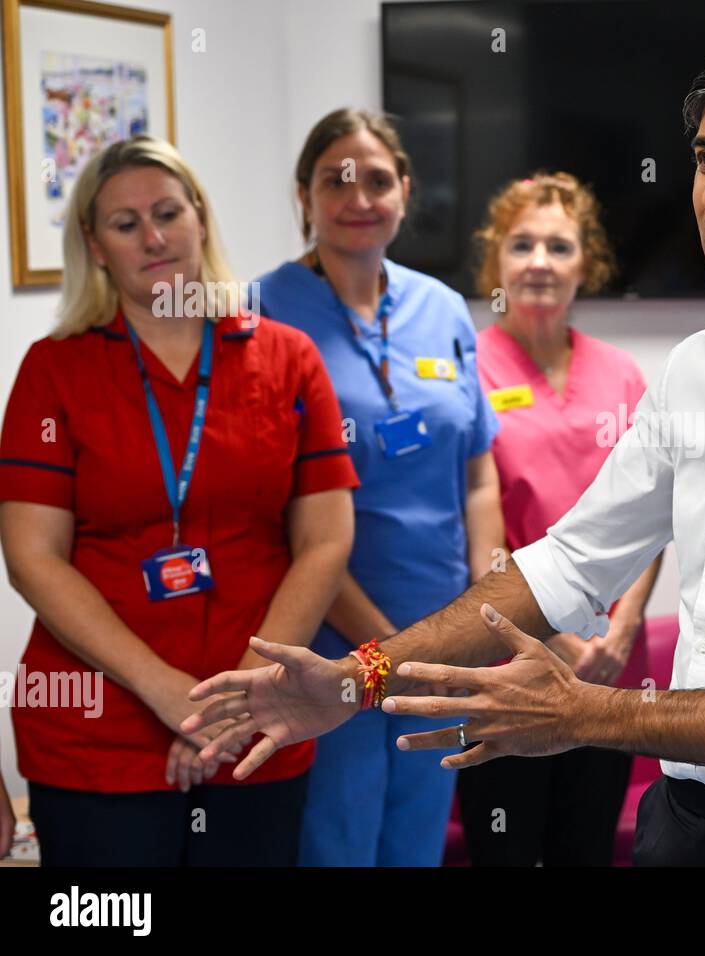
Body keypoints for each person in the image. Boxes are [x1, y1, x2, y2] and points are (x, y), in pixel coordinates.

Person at [186, 33, 705, 867]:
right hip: (682, 822)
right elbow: (571, 564)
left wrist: (583, 714)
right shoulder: (700, 367)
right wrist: (360, 678)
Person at [0, 136, 357, 866]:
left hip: (260, 719)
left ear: (200, 218)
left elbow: (324, 540)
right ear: (95, 246)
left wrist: (241, 696)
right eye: (126, 224)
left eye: (168, 212)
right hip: (98, 730)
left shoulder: (287, 357)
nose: (154, 237)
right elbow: (32, 557)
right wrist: (166, 691)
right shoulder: (54, 370)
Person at [253, 108, 502, 867]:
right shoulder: (259, 313)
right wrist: (380, 648)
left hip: (444, 643)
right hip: (332, 639)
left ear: (405, 192)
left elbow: (479, 470)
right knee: (338, 840)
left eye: (379, 179)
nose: (359, 196)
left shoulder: (443, 307)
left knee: (417, 842)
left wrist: (481, 603)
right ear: (303, 196)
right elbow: (272, 506)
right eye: (337, 180)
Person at [459, 171, 663, 865]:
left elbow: (651, 511)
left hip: (608, 668)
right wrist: (561, 642)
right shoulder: (469, 368)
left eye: (558, 245)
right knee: (506, 850)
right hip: (508, 660)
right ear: (497, 264)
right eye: (521, 245)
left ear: (588, 263)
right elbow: (478, 539)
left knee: (586, 849)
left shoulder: (622, 374)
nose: (540, 261)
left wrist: (626, 622)